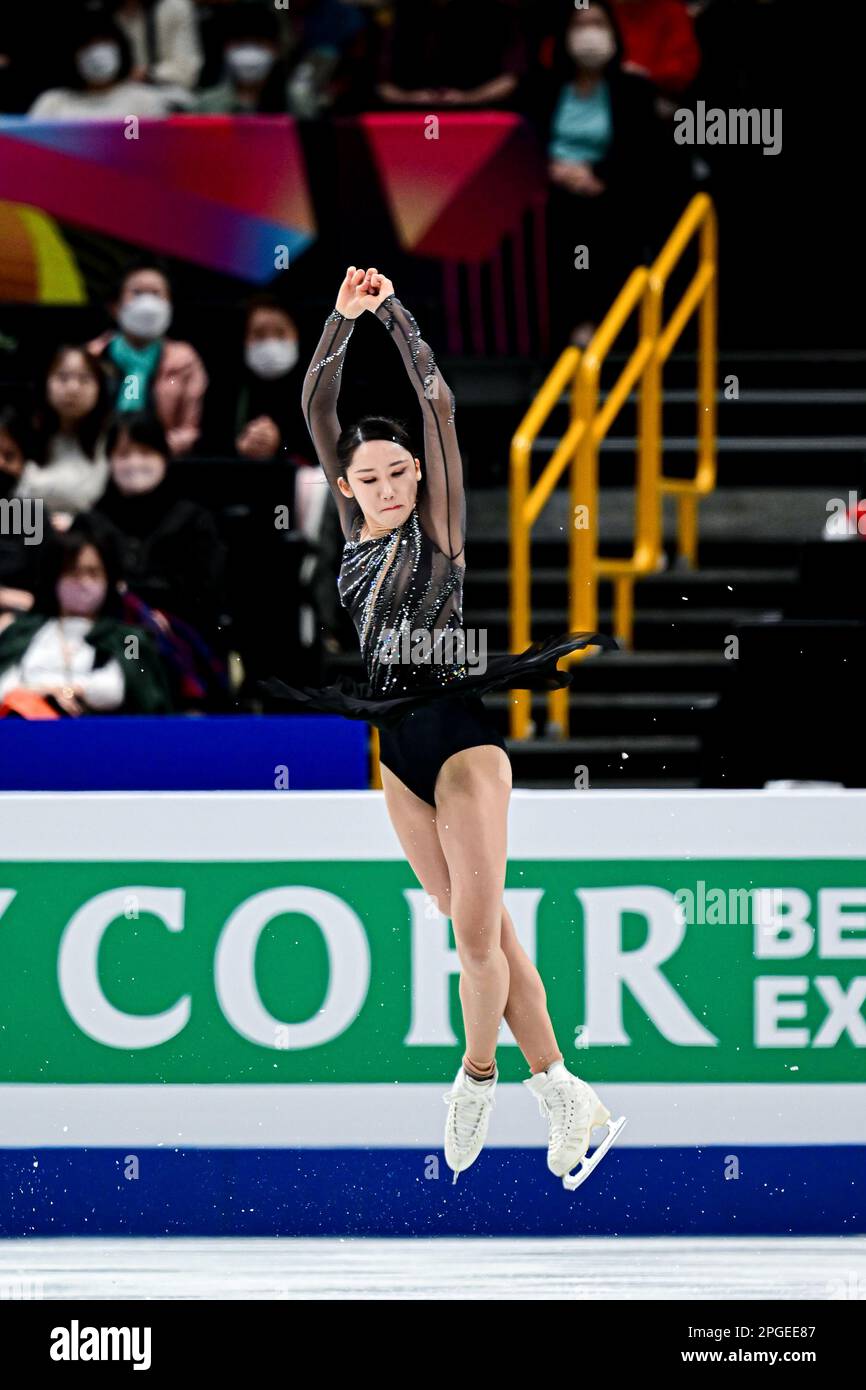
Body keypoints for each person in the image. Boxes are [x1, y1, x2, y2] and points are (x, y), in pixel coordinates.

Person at [263, 266, 625, 1187]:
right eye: (367, 477)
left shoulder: (442, 525)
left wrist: (394, 314)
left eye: (396, 473)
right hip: (398, 754)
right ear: (345, 486)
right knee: (492, 937)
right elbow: (316, 402)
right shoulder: (352, 535)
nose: (384, 486)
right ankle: (564, 1092)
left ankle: (475, 1080)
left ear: (416, 476)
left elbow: (438, 405)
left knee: (473, 944)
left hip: (462, 743)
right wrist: (339, 324)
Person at [543, 0, 658, 347]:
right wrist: (552, 170)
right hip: (549, 186)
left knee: (608, 219)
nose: (589, 34)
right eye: (580, 24)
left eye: (598, 23)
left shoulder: (633, 88)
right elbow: (523, 139)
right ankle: (564, 326)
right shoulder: (545, 87)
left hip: (608, 187)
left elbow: (641, 149)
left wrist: (596, 174)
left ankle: (605, 321)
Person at [0, 529, 172, 715]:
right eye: (73, 572)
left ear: (109, 579)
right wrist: (44, 694)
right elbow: (5, 686)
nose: (83, 581)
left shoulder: (131, 639)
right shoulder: (21, 632)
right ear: (55, 577)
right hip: (26, 729)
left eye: (93, 572)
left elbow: (125, 686)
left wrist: (67, 691)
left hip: (103, 735)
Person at [88, 261, 208, 457]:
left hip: (162, 461)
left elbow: (190, 429)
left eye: (156, 294)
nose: (147, 304)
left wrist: (153, 450)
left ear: (169, 305)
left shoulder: (185, 360)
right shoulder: (93, 356)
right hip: (97, 459)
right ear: (115, 306)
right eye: (137, 293)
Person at [17, 347, 111, 522]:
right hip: (25, 537)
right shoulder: (19, 432)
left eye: (84, 379)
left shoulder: (113, 439)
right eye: (62, 377)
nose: (73, 389)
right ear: (45, 383)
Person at [28, 13, 175, 119]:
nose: (96, 52)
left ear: (121, 49)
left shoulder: (144, 101)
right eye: (87, 46)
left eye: (104, 42)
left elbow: (156, 153)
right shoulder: (51, 103)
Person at [110, 0, 204, 91]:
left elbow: (187, 72)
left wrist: (147, 74)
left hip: (165, 90)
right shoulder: (108, 12)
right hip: (116, 93)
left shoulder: (175, 6)